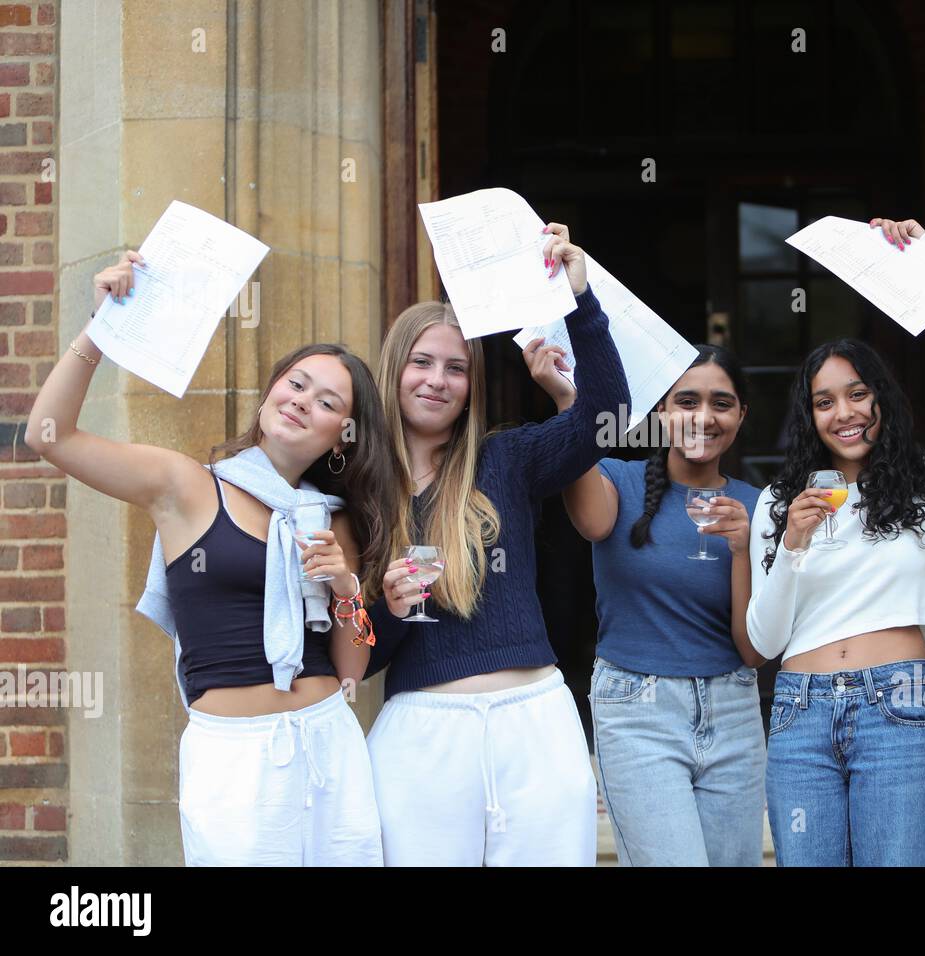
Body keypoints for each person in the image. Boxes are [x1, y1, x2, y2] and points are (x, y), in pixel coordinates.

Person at [25, 251, 401, 865]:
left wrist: (347, 590)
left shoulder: (329, 518)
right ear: (271, 392)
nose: (305, 401)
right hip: (235, 757)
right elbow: (51, 435)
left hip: (330, 743)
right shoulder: (187, 486)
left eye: (329, 403)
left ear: (343, 436)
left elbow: (353, 661)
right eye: (297, 383)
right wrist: (100, 328)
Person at [363, 223, 630, 866]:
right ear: (393, 370)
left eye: (456, 367)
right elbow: (356, 654)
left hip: (533, 720)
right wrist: (392, 614)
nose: (437, 380)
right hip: (420, 733)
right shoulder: (358, 492)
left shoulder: (504, 459)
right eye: (421, 362)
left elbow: (607, 416)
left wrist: (580, 302)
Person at [747, 217, 925, 866]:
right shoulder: (778, 501)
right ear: (810, 415)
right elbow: (766, 642)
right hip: (799, 715)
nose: (845, 412)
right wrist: (794, 542)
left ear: (880, 400)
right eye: (825, 402)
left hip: (900, 703)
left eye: (857, 394)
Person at [539, 345, 765, 866]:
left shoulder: (757, 506)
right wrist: (568, 402)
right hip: (638, 708)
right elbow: (592, 524)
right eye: (686, 401)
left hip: (733, 707)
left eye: (721, 403)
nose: (703, 417)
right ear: (661, 410)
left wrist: (741, 550)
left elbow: (753, 651)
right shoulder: (617, 480)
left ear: (741, 415)